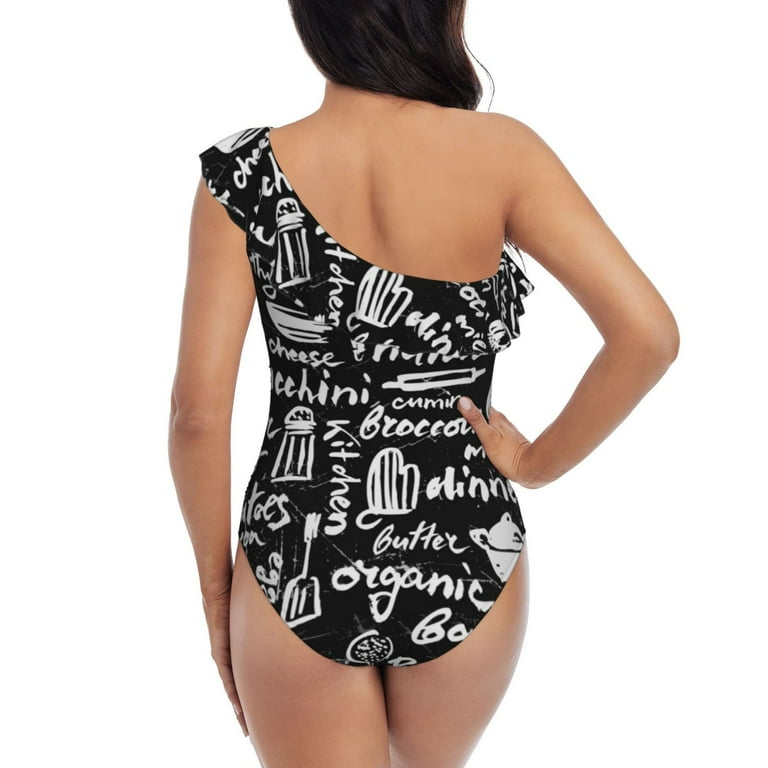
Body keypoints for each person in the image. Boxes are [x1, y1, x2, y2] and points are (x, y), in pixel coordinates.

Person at [168, 1, 679, 765]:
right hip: (467, 547)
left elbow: (197, 418)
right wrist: (533, 463)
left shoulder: (245, 174)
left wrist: (219, 596)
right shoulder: (502, 152)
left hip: (299, 554)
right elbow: (648, 335)